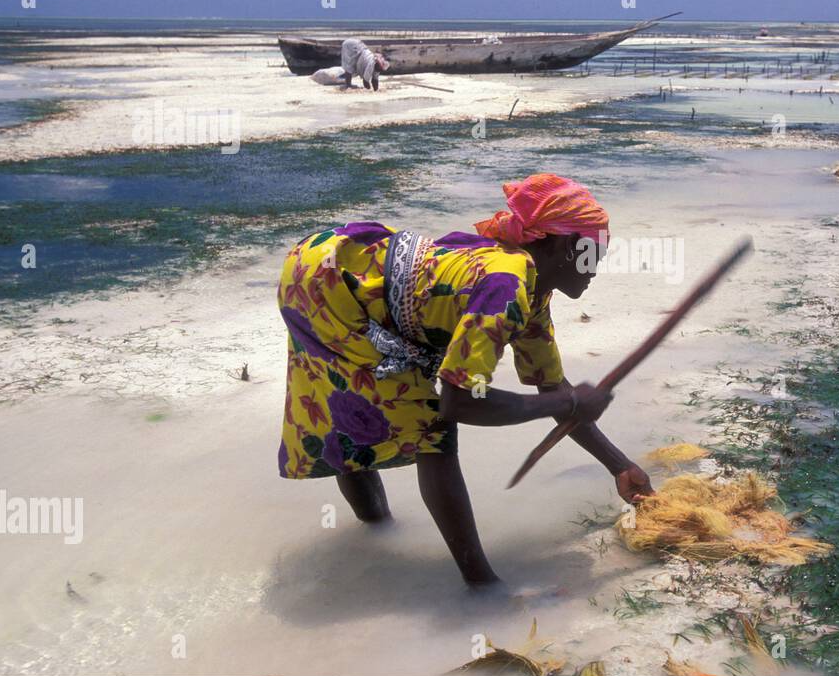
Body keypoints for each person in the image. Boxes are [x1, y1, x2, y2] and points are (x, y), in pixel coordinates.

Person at [275, 173, 654, 585]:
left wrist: (620, 466)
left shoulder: (534, 291)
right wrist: (567, 404)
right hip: (327, 282)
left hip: (345, 263)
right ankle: (478, 583)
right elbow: (461, 402)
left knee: (364, 407)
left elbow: (551, 386)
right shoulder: (503, 284)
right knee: (422, 426)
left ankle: (378, 533)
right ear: (564, 247)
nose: (598, 266)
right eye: (594, 252)